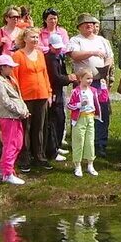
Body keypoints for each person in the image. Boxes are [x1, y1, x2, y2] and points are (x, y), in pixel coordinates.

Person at [68, 14, 114, 159]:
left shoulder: (103, 40)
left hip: (99, 80)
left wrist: (106, 68)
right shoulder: (76, 40)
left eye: (91, 23)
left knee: (101, 111)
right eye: (85, 23)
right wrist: (93, 53)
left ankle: (100, 143)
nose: (89, 25)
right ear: (80, 27)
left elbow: (110, 57)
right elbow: (74, 55)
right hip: (82, 82)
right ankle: (79, 142)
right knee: (81, 111)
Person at [14, 27, 53, 173]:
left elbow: (45, 75)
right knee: (26, 128)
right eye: (32, 37)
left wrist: (49, 93)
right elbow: (14, 78)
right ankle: (24, 158)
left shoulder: (40, 54)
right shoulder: (18, 55)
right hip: (25, 97)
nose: (35, 40)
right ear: (24, 39)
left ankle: (40, 157)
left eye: (37, 37)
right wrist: (17, 98)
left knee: (40, 128)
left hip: (41, 95)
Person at [0, 54, 28, 185]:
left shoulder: (10, 79)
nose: (12, 69)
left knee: (17, 143)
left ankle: (0, 170)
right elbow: (5, 101)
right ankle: (7, 173)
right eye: (10, 67)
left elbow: (18, 97)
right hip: (8, 117)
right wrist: (20, 111)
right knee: (10, 145)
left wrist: (24, 110)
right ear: (2, 67)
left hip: (15, 116)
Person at [66, 68, 99, 178]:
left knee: (90, 141)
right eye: (87, 78)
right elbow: (69, 105)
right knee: (78, 141)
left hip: (90, 118)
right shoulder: (75, 91)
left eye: (91, 78)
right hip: (79, 119)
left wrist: (103, 89)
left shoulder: (93, 90)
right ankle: (77, 165)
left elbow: (102, 99)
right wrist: (79, 105)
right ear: (80, 79)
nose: (90, 80)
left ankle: (90, 164)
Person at [44, 33, 71, 162]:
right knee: (54, 120)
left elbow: (62, 73)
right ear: (50, 46)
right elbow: (55, 78)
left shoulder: (59, 57)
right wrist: (68, 79)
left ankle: (57, 144)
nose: (59, 49)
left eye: (60, 47)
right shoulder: (49, 59)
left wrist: (67, 77)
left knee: (61, 118)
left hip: (59, 91)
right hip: (53, 92)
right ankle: (51, 149)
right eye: (56, 47)